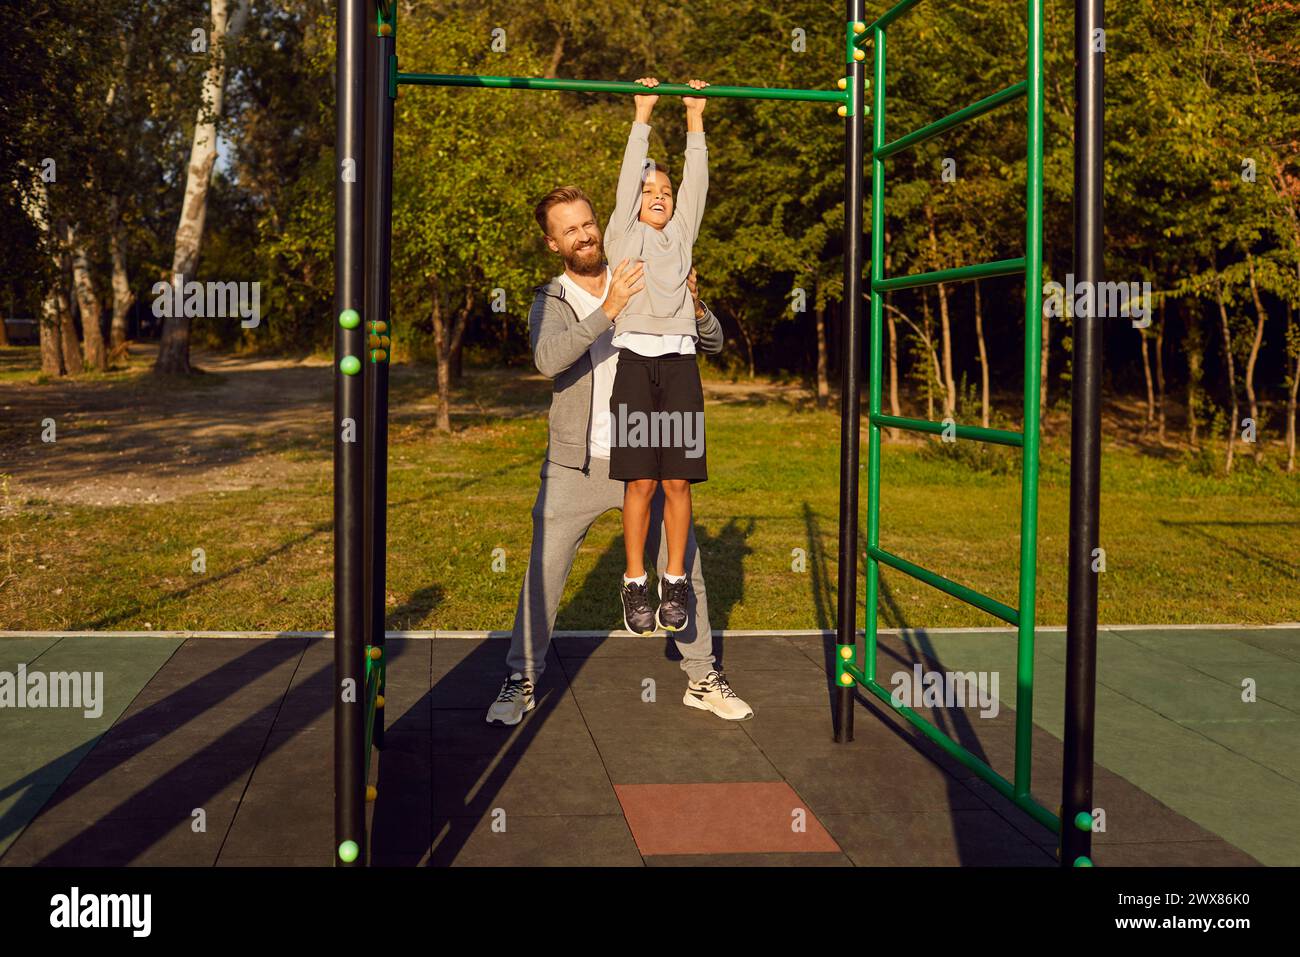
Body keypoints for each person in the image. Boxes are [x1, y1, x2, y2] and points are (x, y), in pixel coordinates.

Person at [485, 179, 753, 726]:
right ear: (553, 244)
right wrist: (609, 309)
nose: (583, 236)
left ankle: (702, 676)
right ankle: (522, 677)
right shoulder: (550, 299)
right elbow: (548, 359)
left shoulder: (645, 263)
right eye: (570, 231)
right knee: (545, 570)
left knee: (685, 567)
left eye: (587, 223)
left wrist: (695, 302)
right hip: (577, 463)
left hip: (648, 451)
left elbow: (713, 341)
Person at [604, 77, 710, 638]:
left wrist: (694, 117)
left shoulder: (683, 235)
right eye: (651, 191)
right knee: (640, 481)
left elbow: (697, 183)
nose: (660, 195)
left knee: (678, 483)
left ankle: (674, 581)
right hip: (634, 368)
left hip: (680, 367)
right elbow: (629, 181)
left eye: (665, 190)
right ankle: (634, 581)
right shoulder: (623, 236)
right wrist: (643, 113)